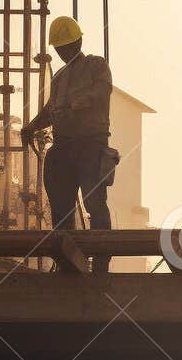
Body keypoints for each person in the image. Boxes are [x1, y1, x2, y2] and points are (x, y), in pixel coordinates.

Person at [22, 16, 113, 272]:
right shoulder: (60, 76)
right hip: (63, 148)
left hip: (91, 146)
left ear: (79, 42)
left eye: (67, 47)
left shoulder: (96, 66)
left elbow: (103, 90)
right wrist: (31, 126)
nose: (63, 53)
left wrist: (83, 100)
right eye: (60, 49)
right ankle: (68, 264)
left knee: (95, 203)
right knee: (61, 210)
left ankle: (101, 266)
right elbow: (51, 111)